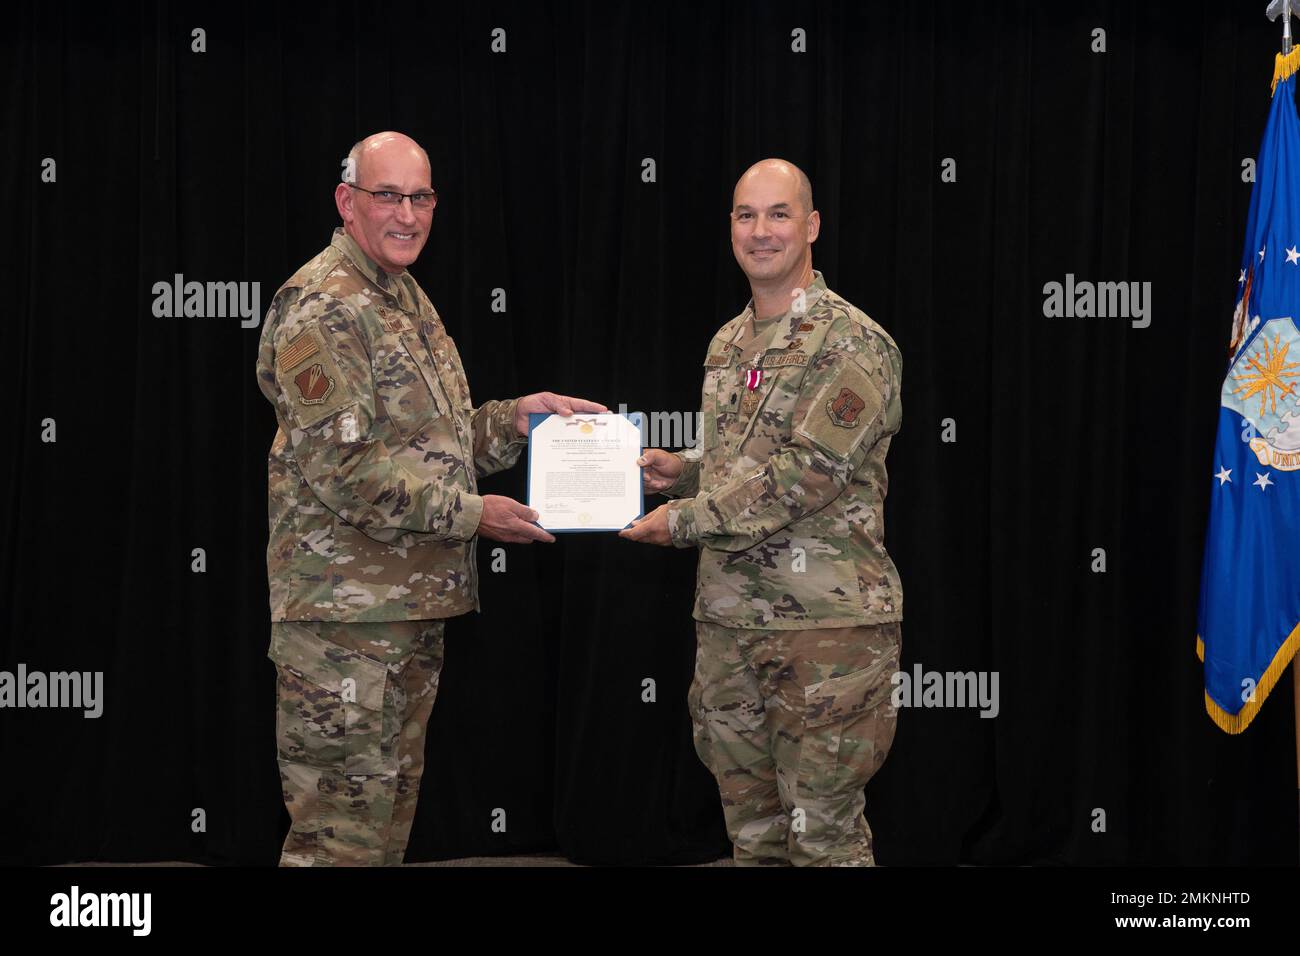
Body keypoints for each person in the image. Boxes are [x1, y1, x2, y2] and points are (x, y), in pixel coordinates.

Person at [255, 131, 604, 866]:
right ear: (347, 202)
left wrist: (514, 420)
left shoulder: (400, 294)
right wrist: (478, 516)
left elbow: (431, 446)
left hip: (405, 610)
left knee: (381, 833)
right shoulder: (324, 306)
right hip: (344, 624)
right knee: (337, 842)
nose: (407, 214)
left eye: (421, 197)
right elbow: (345, 470)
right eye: (389, 196)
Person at [620, 159, 903, 866]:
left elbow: (806, 474)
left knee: (823, 839)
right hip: (729, 628)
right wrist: (680, 471)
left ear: (810, 227)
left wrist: (683, 520)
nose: (761, 231)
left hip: (824, 637)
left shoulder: (852, 344)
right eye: (746, 215)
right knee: (752, 840)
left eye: (779, 214)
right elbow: (744, 458)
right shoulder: (728, 343)